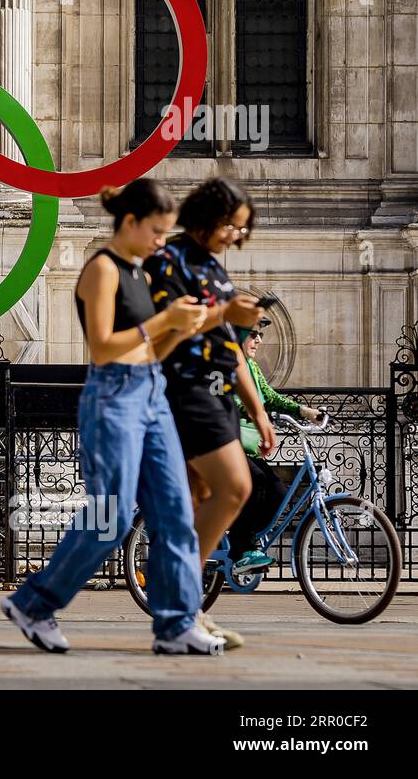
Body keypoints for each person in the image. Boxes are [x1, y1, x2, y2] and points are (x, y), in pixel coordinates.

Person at [1, 180, 225, 655]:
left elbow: (150, 348)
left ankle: (177, 624)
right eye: (157, 231)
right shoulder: (101, 270)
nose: (161, 242)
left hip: (152, 393)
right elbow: (103, 346)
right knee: (113, 518)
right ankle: (34, 602)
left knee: (176, 512)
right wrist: (164, 320)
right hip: (114, 398)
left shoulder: (141, 276)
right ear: (129, 222)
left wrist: (184, 328)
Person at [143, 177, 277, 650]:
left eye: (241, 230)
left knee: (194, 506)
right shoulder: (167, 262)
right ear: (208, 219)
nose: (236, 238)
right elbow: (172, 329)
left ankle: (181, 615)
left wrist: (258, 411)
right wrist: (225, 316)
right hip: (185, 391)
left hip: (217, 395)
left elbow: (232, 350)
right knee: (236, 487)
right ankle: (178, 606)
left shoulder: (213, 269)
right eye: (232, 228)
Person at [226, 322, 322, 573]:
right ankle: (240, 551)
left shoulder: (253, 368)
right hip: (226, 443)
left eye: (261, 335)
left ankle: (246, 542)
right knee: (256, 483)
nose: (258, 340)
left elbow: (269, 397)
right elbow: (224, 400)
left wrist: (303, 411)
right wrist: (252, 412)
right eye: (254, 335)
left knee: (278, 492)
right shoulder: (226, 363)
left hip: (247, 447)